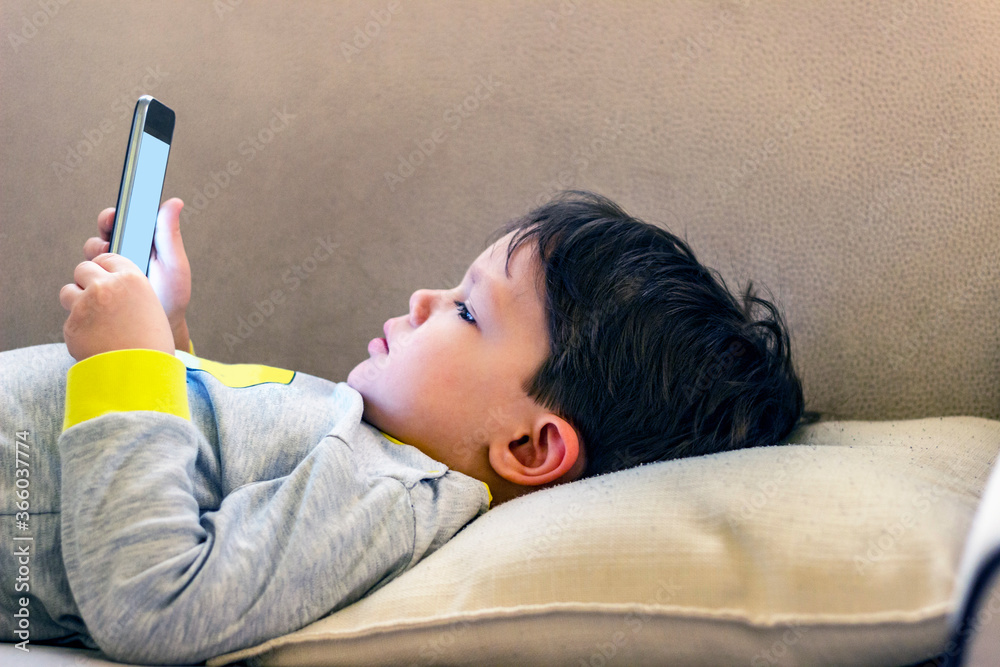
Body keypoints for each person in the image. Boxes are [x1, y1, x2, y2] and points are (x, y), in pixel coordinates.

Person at [1, 190, 806, 663]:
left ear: (530, 446)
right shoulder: (379, 448)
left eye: (465, 309)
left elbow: (154, 598)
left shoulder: (388, 494)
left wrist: (126, 365)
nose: (423, 301)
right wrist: (168, 335)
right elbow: (208, 469)